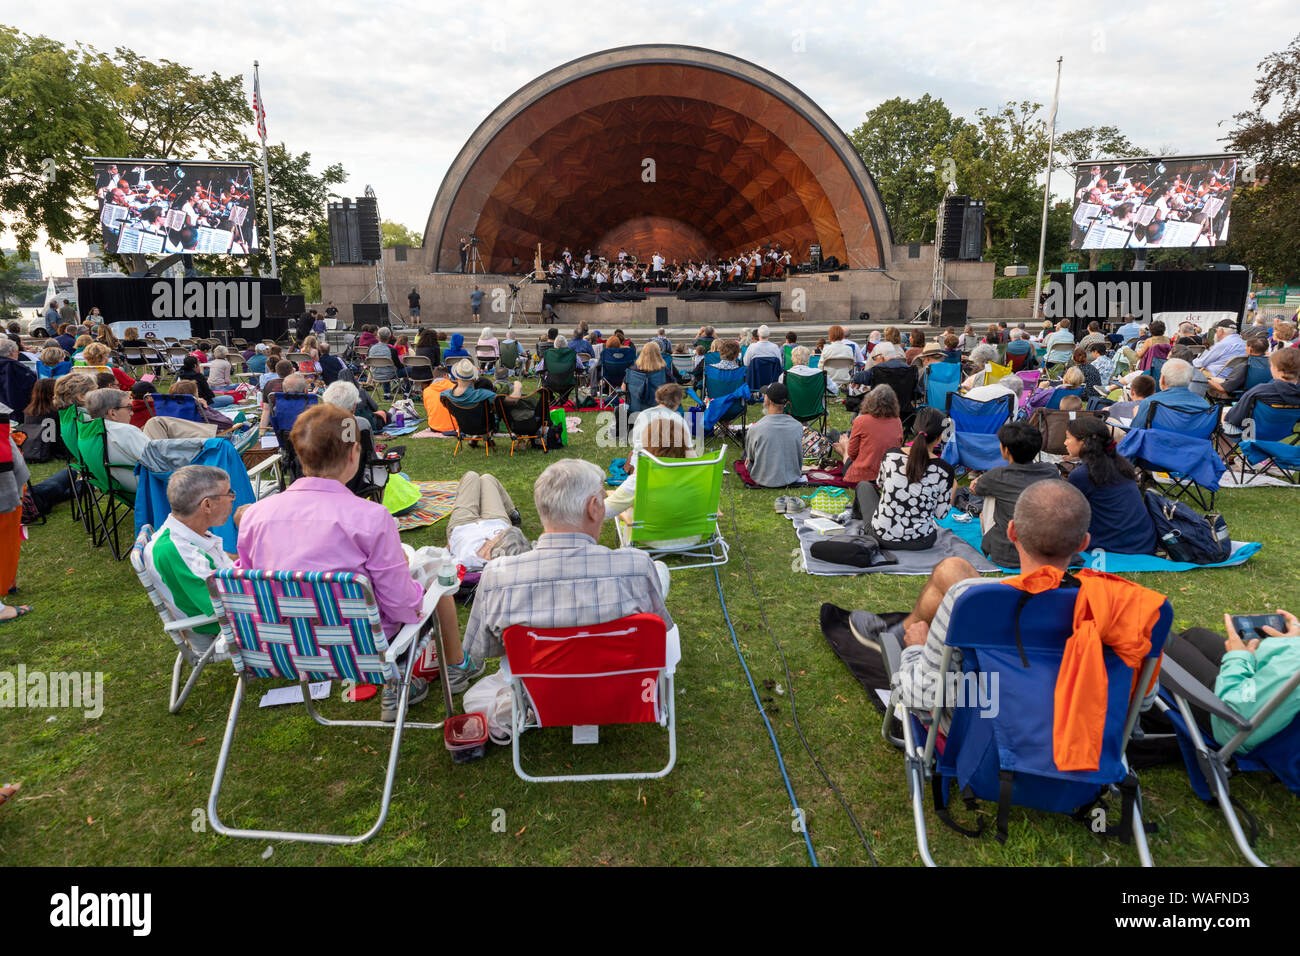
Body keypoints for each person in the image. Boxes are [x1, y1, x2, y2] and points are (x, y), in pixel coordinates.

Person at [857, 481, 1165, 737]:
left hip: (988, 733)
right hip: (1084, 733)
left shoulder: (971, 600)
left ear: (1012, 532)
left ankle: (906, 638)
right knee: (954, 569)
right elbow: (1143, 701)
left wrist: (916, 650)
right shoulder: (1126, 607)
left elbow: (923, 696)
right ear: (1083, 543)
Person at [238, 404, 483, 720]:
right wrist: (419, 586)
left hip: (281, 646)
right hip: (363, 648)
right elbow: (402, 606)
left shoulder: (255, 515)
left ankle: (405, 680)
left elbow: (248, 585)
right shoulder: (371, 517)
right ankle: (453, 668)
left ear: (300, 455)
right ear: (354, 453)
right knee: (436, 581)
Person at [461, 458, 676, 674]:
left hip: (540, 702)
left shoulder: (498, 578)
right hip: (622, 698)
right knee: (660, 569)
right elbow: (660, 630)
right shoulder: (637, 567)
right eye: (602, 499)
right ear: (593, 508)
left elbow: (483, 648)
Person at [1162, 609, 1300, 754]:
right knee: (1197, 636)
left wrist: (1238, 658)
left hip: (1234, 725)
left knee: (1159, 637)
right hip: (1260, 692)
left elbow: (1239, 708)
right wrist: (1292, 642)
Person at [142, 465, 237, 647]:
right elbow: (221, 606)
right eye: (229, 493)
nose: (233, 498)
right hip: (220, 631)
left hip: (230, 613)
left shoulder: (189, 535)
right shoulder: (176, 550)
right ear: (207, 505)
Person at [858, 406, 954, 550]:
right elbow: (941, 515)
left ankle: (856, 518)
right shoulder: (944, 471)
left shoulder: (891, 456)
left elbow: (881, 484)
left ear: (914, 430)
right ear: (940, 437)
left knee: (864, 486)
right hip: (921, 541)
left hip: (883, 538)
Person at [968, 421, 1058, 568]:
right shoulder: (1051, 471)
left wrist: (979, 480)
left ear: (1007, 451)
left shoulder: (996, 476)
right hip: (1047, 550)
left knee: (990, 494)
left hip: (1008, 553)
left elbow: (975, 490)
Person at [1063, 416, 1157, 555]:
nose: (1065, 443)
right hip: (1144, 541)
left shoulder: (1083, 475)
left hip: (1114, 545)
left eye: (1068, 438)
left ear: (1083, 442)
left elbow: (1067, 516)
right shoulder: (1121, 465)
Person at [605, 417, 702, 549]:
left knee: (626, 506)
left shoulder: (641, 478)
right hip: (692, 536)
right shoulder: (697, 472)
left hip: (652, 539)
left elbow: (604, 511)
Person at [445, 471, 530, 572]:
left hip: (462, 525)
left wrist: (450, 545)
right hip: (496, 522)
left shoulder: (466, 561)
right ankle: (512, 512)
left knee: (471, 476)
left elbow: (442, 557)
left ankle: (510, 512)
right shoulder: (510, 550)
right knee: (487, 478)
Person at [835, 384, 903, 488]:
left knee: (840, 442)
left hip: (862, 475)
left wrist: (846, 445)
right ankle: (842, 449)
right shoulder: (897, 421)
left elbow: (852, 454)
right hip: (887, 474)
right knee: (842, 446)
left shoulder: (861, 420)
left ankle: (842, 450)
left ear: (870, 400)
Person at [1222, 347, 1300, 435]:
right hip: (1282, 434)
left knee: (1221, 415)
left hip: (1251, 434)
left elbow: (1234, 419)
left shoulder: (1261, 391)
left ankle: (1235, 448)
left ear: (1277, 369)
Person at [744, 382, 804, 488]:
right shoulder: (798, 426)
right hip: (791, 477)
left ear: (767, 401)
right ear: (786, 403)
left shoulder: (756, 428)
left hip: (762, 479)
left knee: (746, 455)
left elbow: (752, 457)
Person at [1133, 358, 1211, 425]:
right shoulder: (1205, 406)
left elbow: (1135, 432)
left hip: (1158, 441)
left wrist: (1137, 415)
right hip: (1193, 442)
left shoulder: (1150, 403)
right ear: (1190, 380)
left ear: (1162, 379)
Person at [628, 382, 692, 462]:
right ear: (677, 401)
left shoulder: (643, 414)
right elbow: (688, 448)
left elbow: (636, 441)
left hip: (643, 462)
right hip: (669, 465)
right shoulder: (679, 420)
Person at [1207, 334, 1270, 398]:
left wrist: (1206, 380)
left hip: (1243, 397)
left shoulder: (1245, 366)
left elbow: (1223, 389)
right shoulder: (1273, 364)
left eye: (1246, 347)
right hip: (1264, 397)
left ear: (1250, 349)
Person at [0, 339, 36, 424]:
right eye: (17, 351)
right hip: (18, 414)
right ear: (12, 352)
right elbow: (33, 387)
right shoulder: (17, 368)